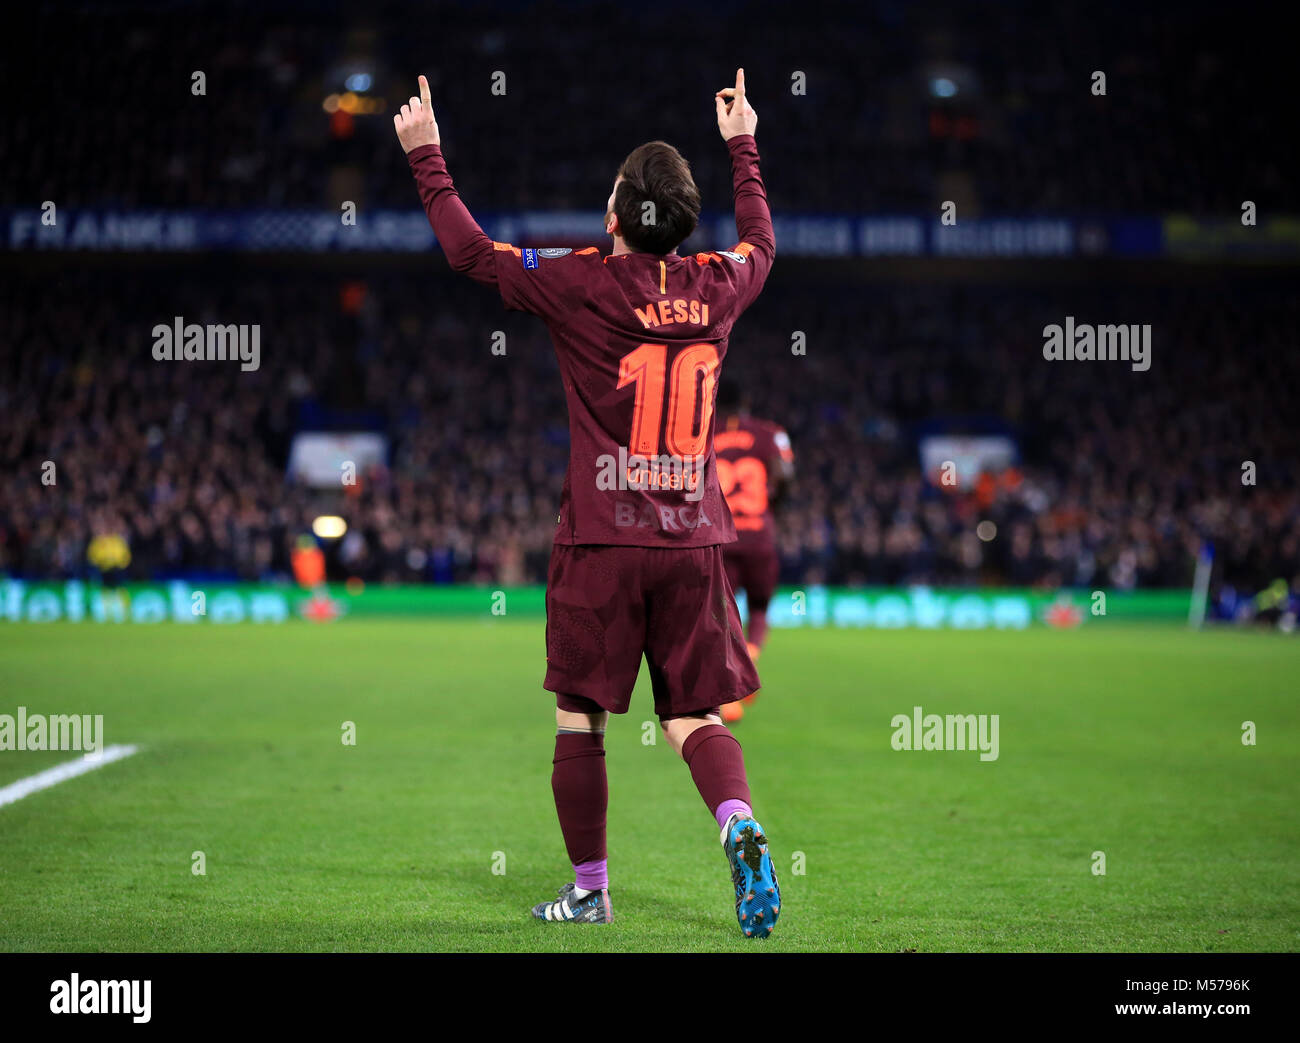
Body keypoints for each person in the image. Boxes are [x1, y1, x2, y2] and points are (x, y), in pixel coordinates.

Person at [395, 69, 780, 937]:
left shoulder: (580, 282)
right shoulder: (722, 283)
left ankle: (592, 889)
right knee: (693, 714)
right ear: (683, 225)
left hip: (602, 541)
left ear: (615, 217)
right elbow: (761, 240)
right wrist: (742, 143)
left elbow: (469, 253)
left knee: (580, 717)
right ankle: (740, 824)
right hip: (692, 539)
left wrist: (427, 159)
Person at [714, 379, 794, 722]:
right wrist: (774, 503)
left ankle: (730, 692)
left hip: (721, 536)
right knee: (759, 607)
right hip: (759, 536)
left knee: (721, 615)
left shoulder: (704, 434)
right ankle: (752, 657)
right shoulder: (770, 433)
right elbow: (787, 473)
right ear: (747, 402)